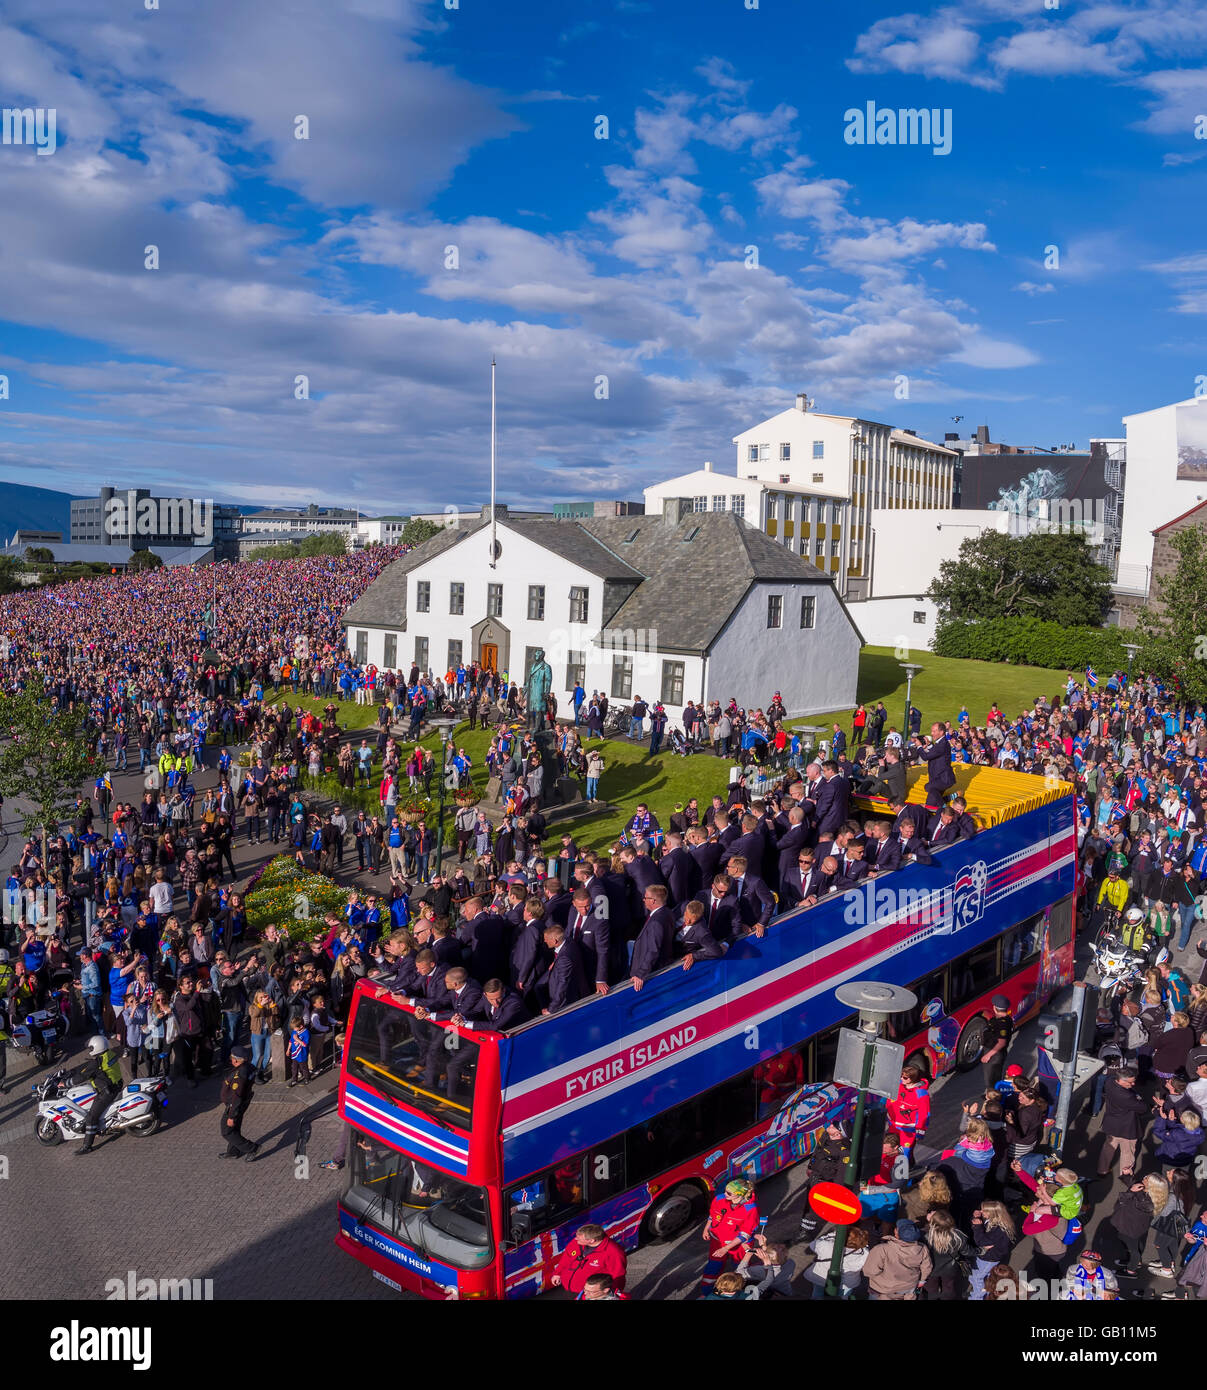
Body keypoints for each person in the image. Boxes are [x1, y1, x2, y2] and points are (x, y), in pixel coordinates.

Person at [699, 1179, 759, 1297]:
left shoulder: (750, 1209)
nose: (725, 1194)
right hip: (717, 1241)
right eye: (725, 1190)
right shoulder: (719, 1199)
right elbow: (712, 1215)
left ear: (739, 1194)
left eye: (729, 1193)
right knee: (712, 1268)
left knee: (739, 1272)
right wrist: (706, 1228)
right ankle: (706, 1294)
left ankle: (737, 1294)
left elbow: (744, 1234)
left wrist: (726, 1248)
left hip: (740, 1246)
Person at [73, 1034, 123, 1155]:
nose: (89, 1050)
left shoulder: (96, 1063)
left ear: (96, 1047)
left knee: (91, 1117)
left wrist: (66, 1083)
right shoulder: (109, 1054)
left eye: (90, 1048)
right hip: (117, 1085)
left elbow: (82, 1077)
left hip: (107, 1091)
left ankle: (87, 1146)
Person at [861, 1219, 933, 1301]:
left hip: (882, 1291)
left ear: (896, 1232)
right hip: (907, 1290)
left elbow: (869, 1271)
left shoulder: (882, 1249)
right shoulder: (923, 1248)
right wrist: (920, 1283)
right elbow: (927, 1268)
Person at [552, 1223, 628, 1297]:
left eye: (579, 1238)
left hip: (590, 1294)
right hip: (568, 1287)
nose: (575, 1239)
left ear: (592, 1240)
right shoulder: (576, 1243)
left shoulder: (614, 1252)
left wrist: (614, 1294)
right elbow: (566, 1259)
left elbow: (618, 1275)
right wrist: (557, 1273)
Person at [218, 1045, 260, 1161]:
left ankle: (252, 1148)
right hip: (242, 1102)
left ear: (236, 1060)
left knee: (226, 1131)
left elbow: (236, 1096)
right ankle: (233, 1151)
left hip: (234, 1106)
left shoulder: (239, 1075)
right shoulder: (249, 1067)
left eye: (232, 1058)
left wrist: (232, 1116)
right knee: (235, 1129)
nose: (231, 1059)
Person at [980, 995, 1014, 1087]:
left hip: (994, 1054)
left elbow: (1002, 1042)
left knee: (991, 1078)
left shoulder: (1001, 1024)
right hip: (997, 1052)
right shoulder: (1006, 1019)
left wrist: (988, 1055)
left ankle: (992, 1096)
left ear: (994, 1008)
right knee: (994, 1077)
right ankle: (992, 1093)